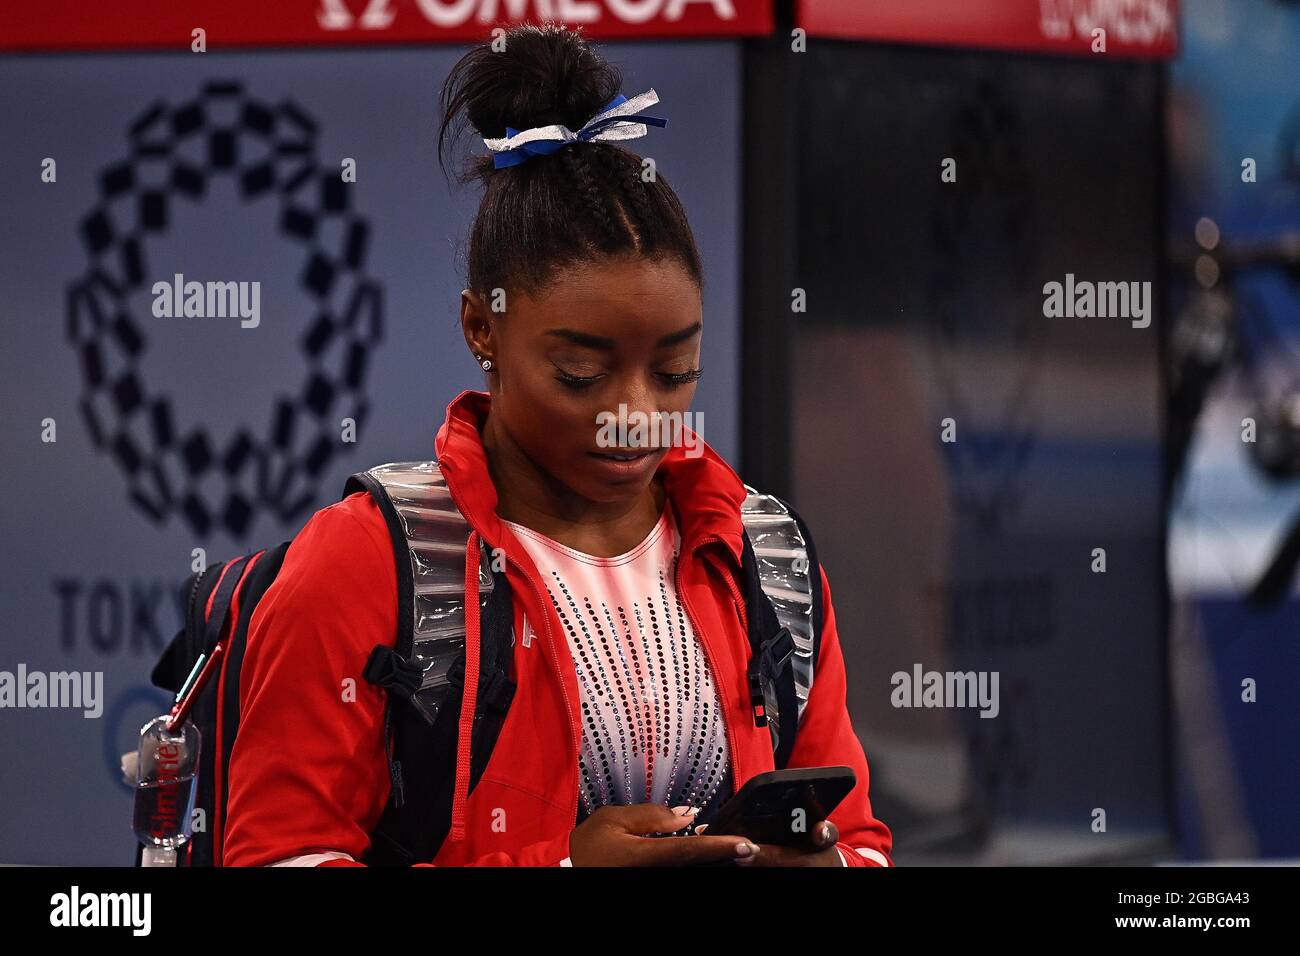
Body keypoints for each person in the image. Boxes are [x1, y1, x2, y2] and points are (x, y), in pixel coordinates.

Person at [222, 22, 892, 868]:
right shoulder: (364, 563)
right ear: (482, 327)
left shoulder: (765, 556)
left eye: (675, 369)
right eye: (580, 373)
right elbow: (280, 856)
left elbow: (864, 841)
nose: (635, 413)